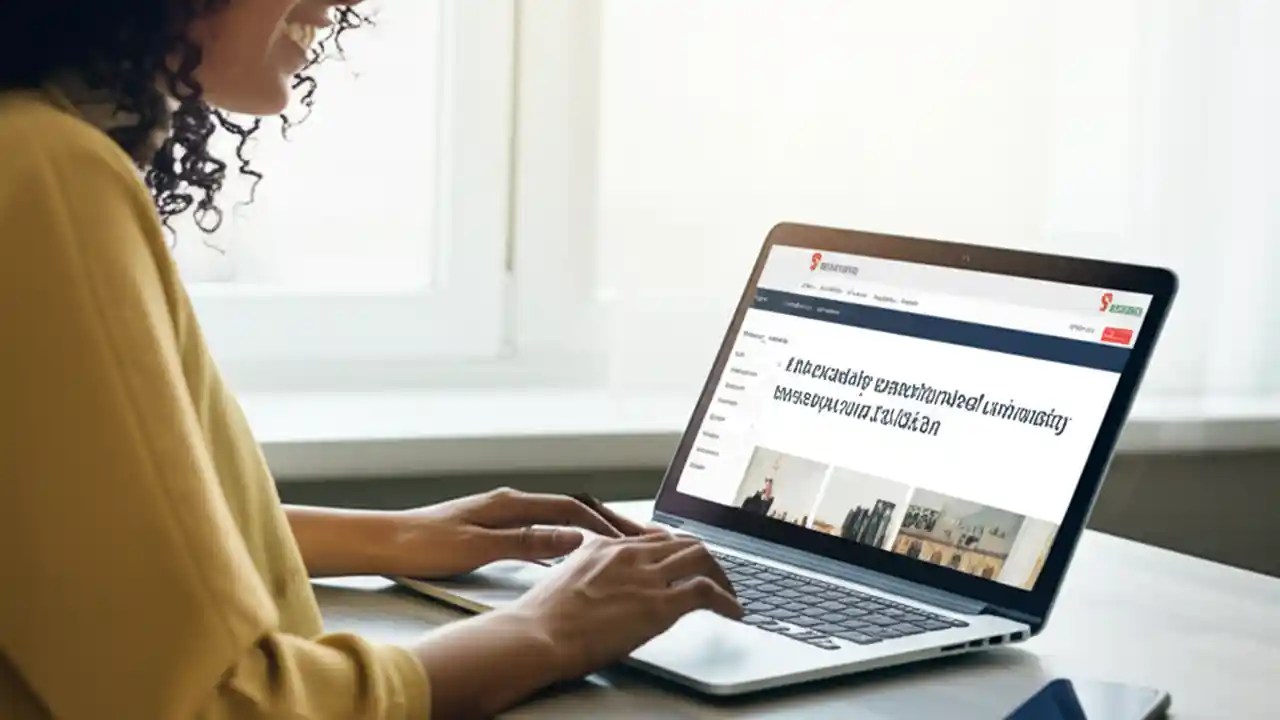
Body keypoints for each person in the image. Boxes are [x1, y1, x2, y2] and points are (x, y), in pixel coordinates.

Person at [0, 1, 741, 718]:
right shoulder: (46, 171)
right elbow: (217, 705)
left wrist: (393, 537)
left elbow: (79, 550)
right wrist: (550, 628)